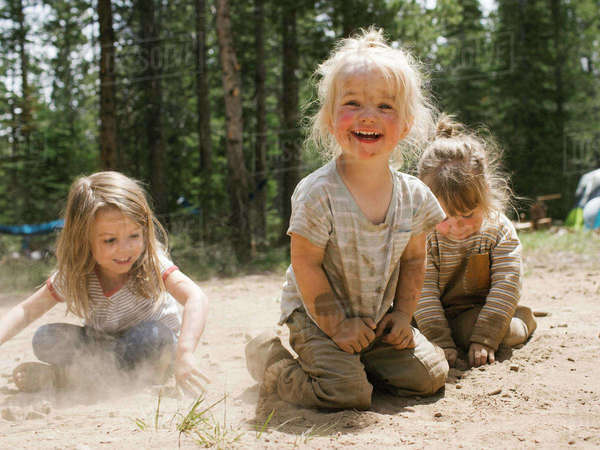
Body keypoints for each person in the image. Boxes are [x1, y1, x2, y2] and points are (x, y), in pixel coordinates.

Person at [245, 28, 448, 410]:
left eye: (385, 107)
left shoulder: (414, 195)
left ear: (405, 124)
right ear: (329, 120)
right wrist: (337, 326)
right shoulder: (318, 192)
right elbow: (305, 263)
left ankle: (356, 359)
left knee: (430, 376)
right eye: (352, 102)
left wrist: (403, 315)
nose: (368, 115)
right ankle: (271, 360)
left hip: (375, 318)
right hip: (316, 316)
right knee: (346, 394)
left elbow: (414, 260)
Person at [0, 171, 209, 395]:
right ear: (83, 239)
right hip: (100, 349)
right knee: (46, 338)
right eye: (110, 240)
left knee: (153, 337)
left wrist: (185, 353)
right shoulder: (76, 273)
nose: (125, 249)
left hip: (150, 348)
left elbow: (195, 297)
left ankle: (64, 379)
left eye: (134, 236)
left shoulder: (151, 262)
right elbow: (27, 310)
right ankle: (85, 377)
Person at [414, 115, 537, 368]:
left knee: (499, 331)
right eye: (445, 217)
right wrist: (440, 343)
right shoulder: (424, 235)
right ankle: (449, 337)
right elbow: (421, 293)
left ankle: (523, 321)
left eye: (468, 214)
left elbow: (507, 283)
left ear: (486, 195)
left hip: (481, 313)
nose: (457, 227)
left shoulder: (499, 230)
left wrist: (485, 338)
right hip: (429, 316)